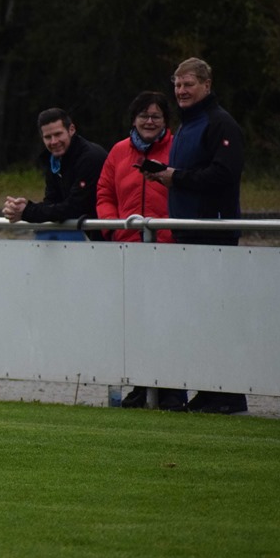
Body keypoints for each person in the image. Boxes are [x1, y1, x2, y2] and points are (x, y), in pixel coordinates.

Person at [144, 57, 246, 414]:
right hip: (187, 233)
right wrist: (167, 176)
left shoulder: (220, 123)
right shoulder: (187, 126)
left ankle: (230, 395)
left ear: (206, 84)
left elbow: (224, 173)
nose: (181, 91)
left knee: (216, 314)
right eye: (177, 84)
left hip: (214, 232)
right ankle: (210, 388)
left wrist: (176, 177)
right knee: (198, 316)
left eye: (188, 84)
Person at [96, 91, 185, 410]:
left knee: (169, 321)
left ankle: (173, 389)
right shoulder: (119, 151)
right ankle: (142, 385)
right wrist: (112, 225)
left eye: (156, 116)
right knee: (135, 322)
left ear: (165, 121)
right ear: (133, 119)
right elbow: (105, 192)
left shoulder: (179, 147)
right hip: (129, 248)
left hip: (169, 248)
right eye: (144, 116)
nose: (149, 121)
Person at [2, 108, 108, 241]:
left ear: (71, 130)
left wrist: (28, 211)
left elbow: (75, 207)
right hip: (90, 237)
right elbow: (52, 202)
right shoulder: (54, 160)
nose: (54, 142)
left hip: (112, 237)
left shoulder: (90, 158)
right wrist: (20, 208)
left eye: (58, 134)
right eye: (48, 137)